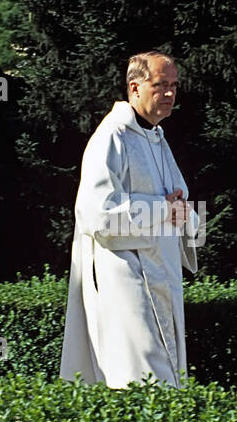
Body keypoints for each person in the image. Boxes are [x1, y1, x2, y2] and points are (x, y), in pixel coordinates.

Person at [60, 51, 204, 387]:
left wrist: (186, 217)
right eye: (160, 85)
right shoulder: (112, 137)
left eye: (173, 85)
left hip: (162, 275)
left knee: (167, 379)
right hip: (125, 278)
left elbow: (180, 205)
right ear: (135, 88)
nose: (169, 94)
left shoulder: (157, 138)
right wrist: (162, 210)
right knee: (140, 378)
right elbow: (97, 214)